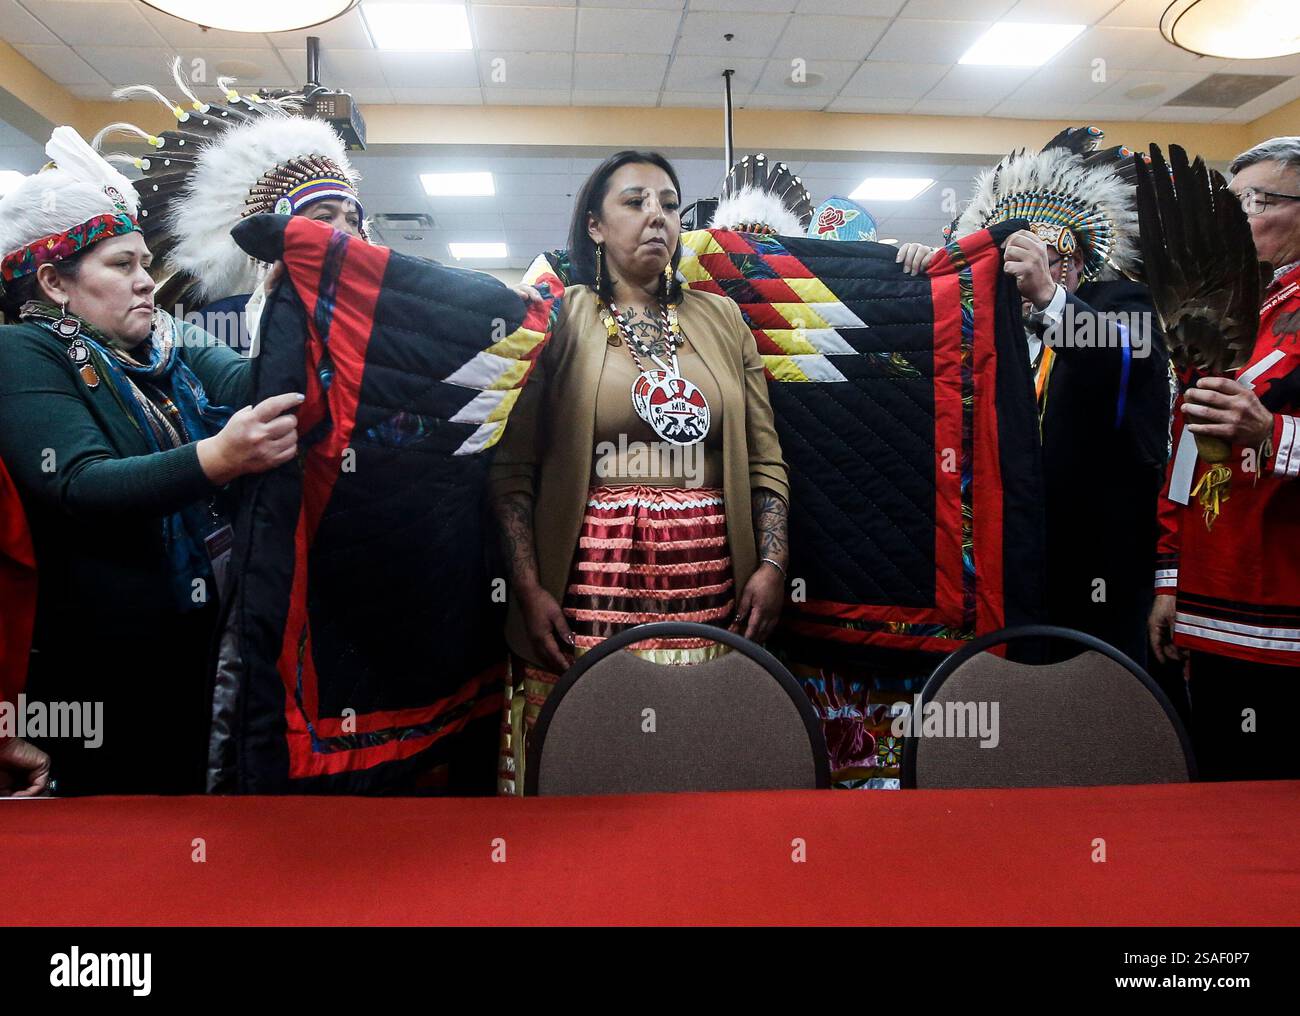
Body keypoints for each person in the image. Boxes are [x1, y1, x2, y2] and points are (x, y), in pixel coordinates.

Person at [0, 127, 302, 794]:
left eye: (144, 264)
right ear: (53, 282)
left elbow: (259, 389)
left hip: (197, 633)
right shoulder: (23, 351)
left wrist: (288, 309)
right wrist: (220, 456)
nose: (145, 283)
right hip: (101, 660)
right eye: (121, 265)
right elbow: (80, 484)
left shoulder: (170, 338)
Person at [492, 151, 790, 793]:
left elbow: (766, 456)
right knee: (591, 773)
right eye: (634, 202)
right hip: (585, 601)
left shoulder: (723, 319)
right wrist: (526, 588)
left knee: (694, 769)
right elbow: (511, 471)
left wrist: (771, 565)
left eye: (669, 204)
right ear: (595, 226)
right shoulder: (557, 317)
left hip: (710, 597)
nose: (656, 216)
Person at [900, 141, 1170, 667]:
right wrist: (916, 275)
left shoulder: (1123, 307)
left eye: (1055, 261)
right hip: (1003, 555)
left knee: (1096, 696)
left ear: (1082, 264)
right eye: (1020, 265)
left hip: (1093, 559)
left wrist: (1051, 300)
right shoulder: (986, 331)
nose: (1031, 276)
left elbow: (1125, 355)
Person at [1148, 136, 1300, 781]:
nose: (1239, 218)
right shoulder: (1236, 313)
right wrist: (1170, 576)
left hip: (1287, 608)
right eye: (1232, 202)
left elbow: (1256, 430)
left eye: (1260, 201)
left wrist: (1273, 431)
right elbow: (1191, 447)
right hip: (1213, 601)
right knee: (1224, 800)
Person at [94, 61, 367, 354]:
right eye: (325, 217)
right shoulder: (227, 320)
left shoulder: (372, 314)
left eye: (353, 220)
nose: (346, 231)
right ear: (282, 237)